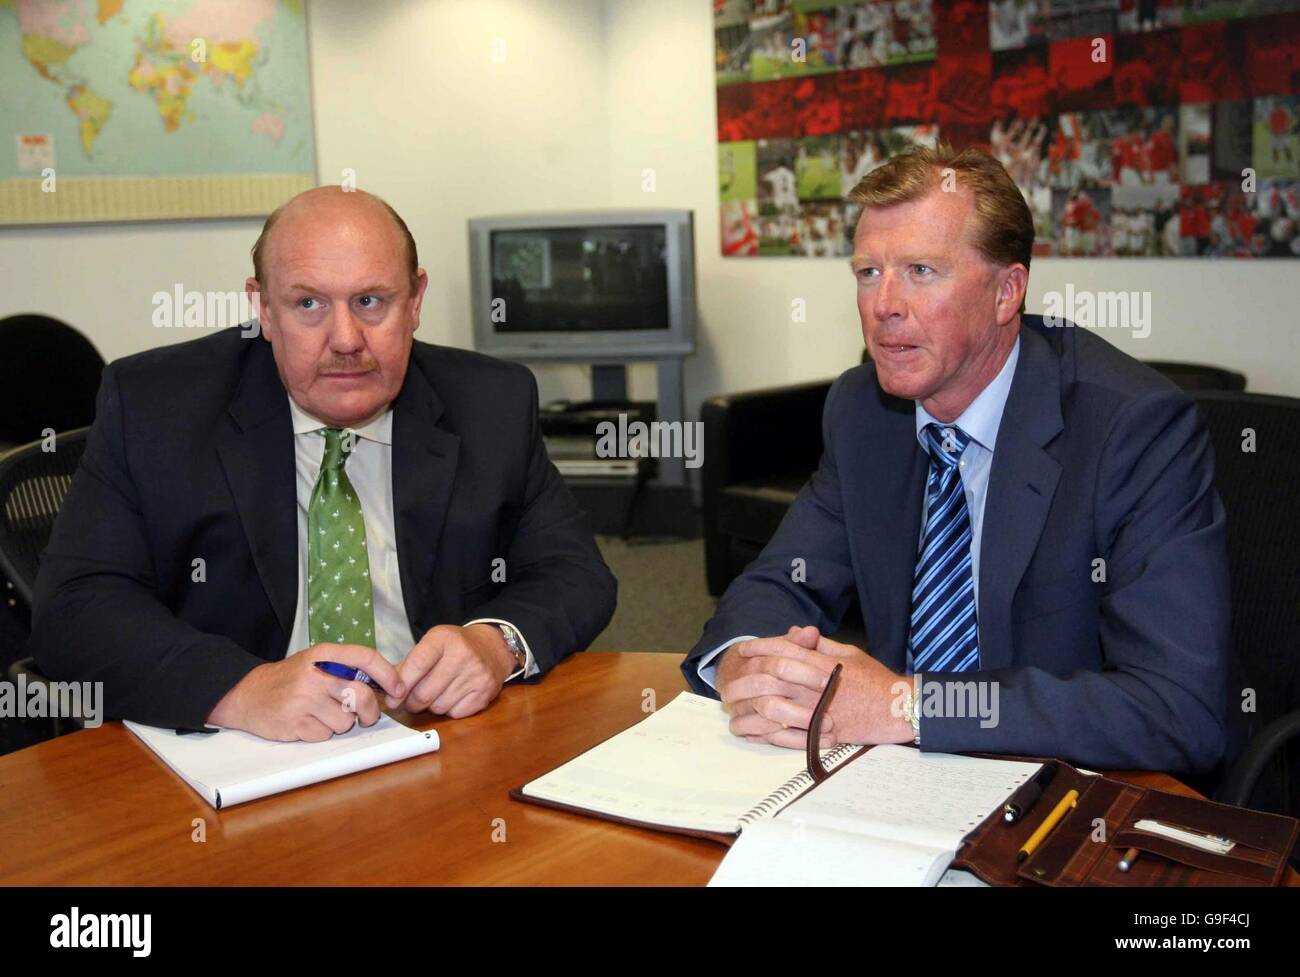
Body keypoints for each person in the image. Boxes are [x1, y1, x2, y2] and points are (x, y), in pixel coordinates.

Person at [682, 144, 1230, 776]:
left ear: (1006, 292)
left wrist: (908, 704)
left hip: (1068, 790)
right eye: (867, 272)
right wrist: (743, 663)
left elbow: (1178, 709)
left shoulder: (1133, 429)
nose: (883, 304)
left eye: (920, 271)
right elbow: (785, 579)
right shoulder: (864, 411)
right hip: (902, 778)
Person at [30, 187, 616, 740]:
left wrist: (496, 644)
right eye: (308, 303)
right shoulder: (155, 406)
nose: (346, 339)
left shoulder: (492, 401)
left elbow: (575, 574)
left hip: (437, 738)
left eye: (370, 301)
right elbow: (76, 610)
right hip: (242, 755)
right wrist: (240, 689)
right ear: (261, 307)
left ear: (414, 302)